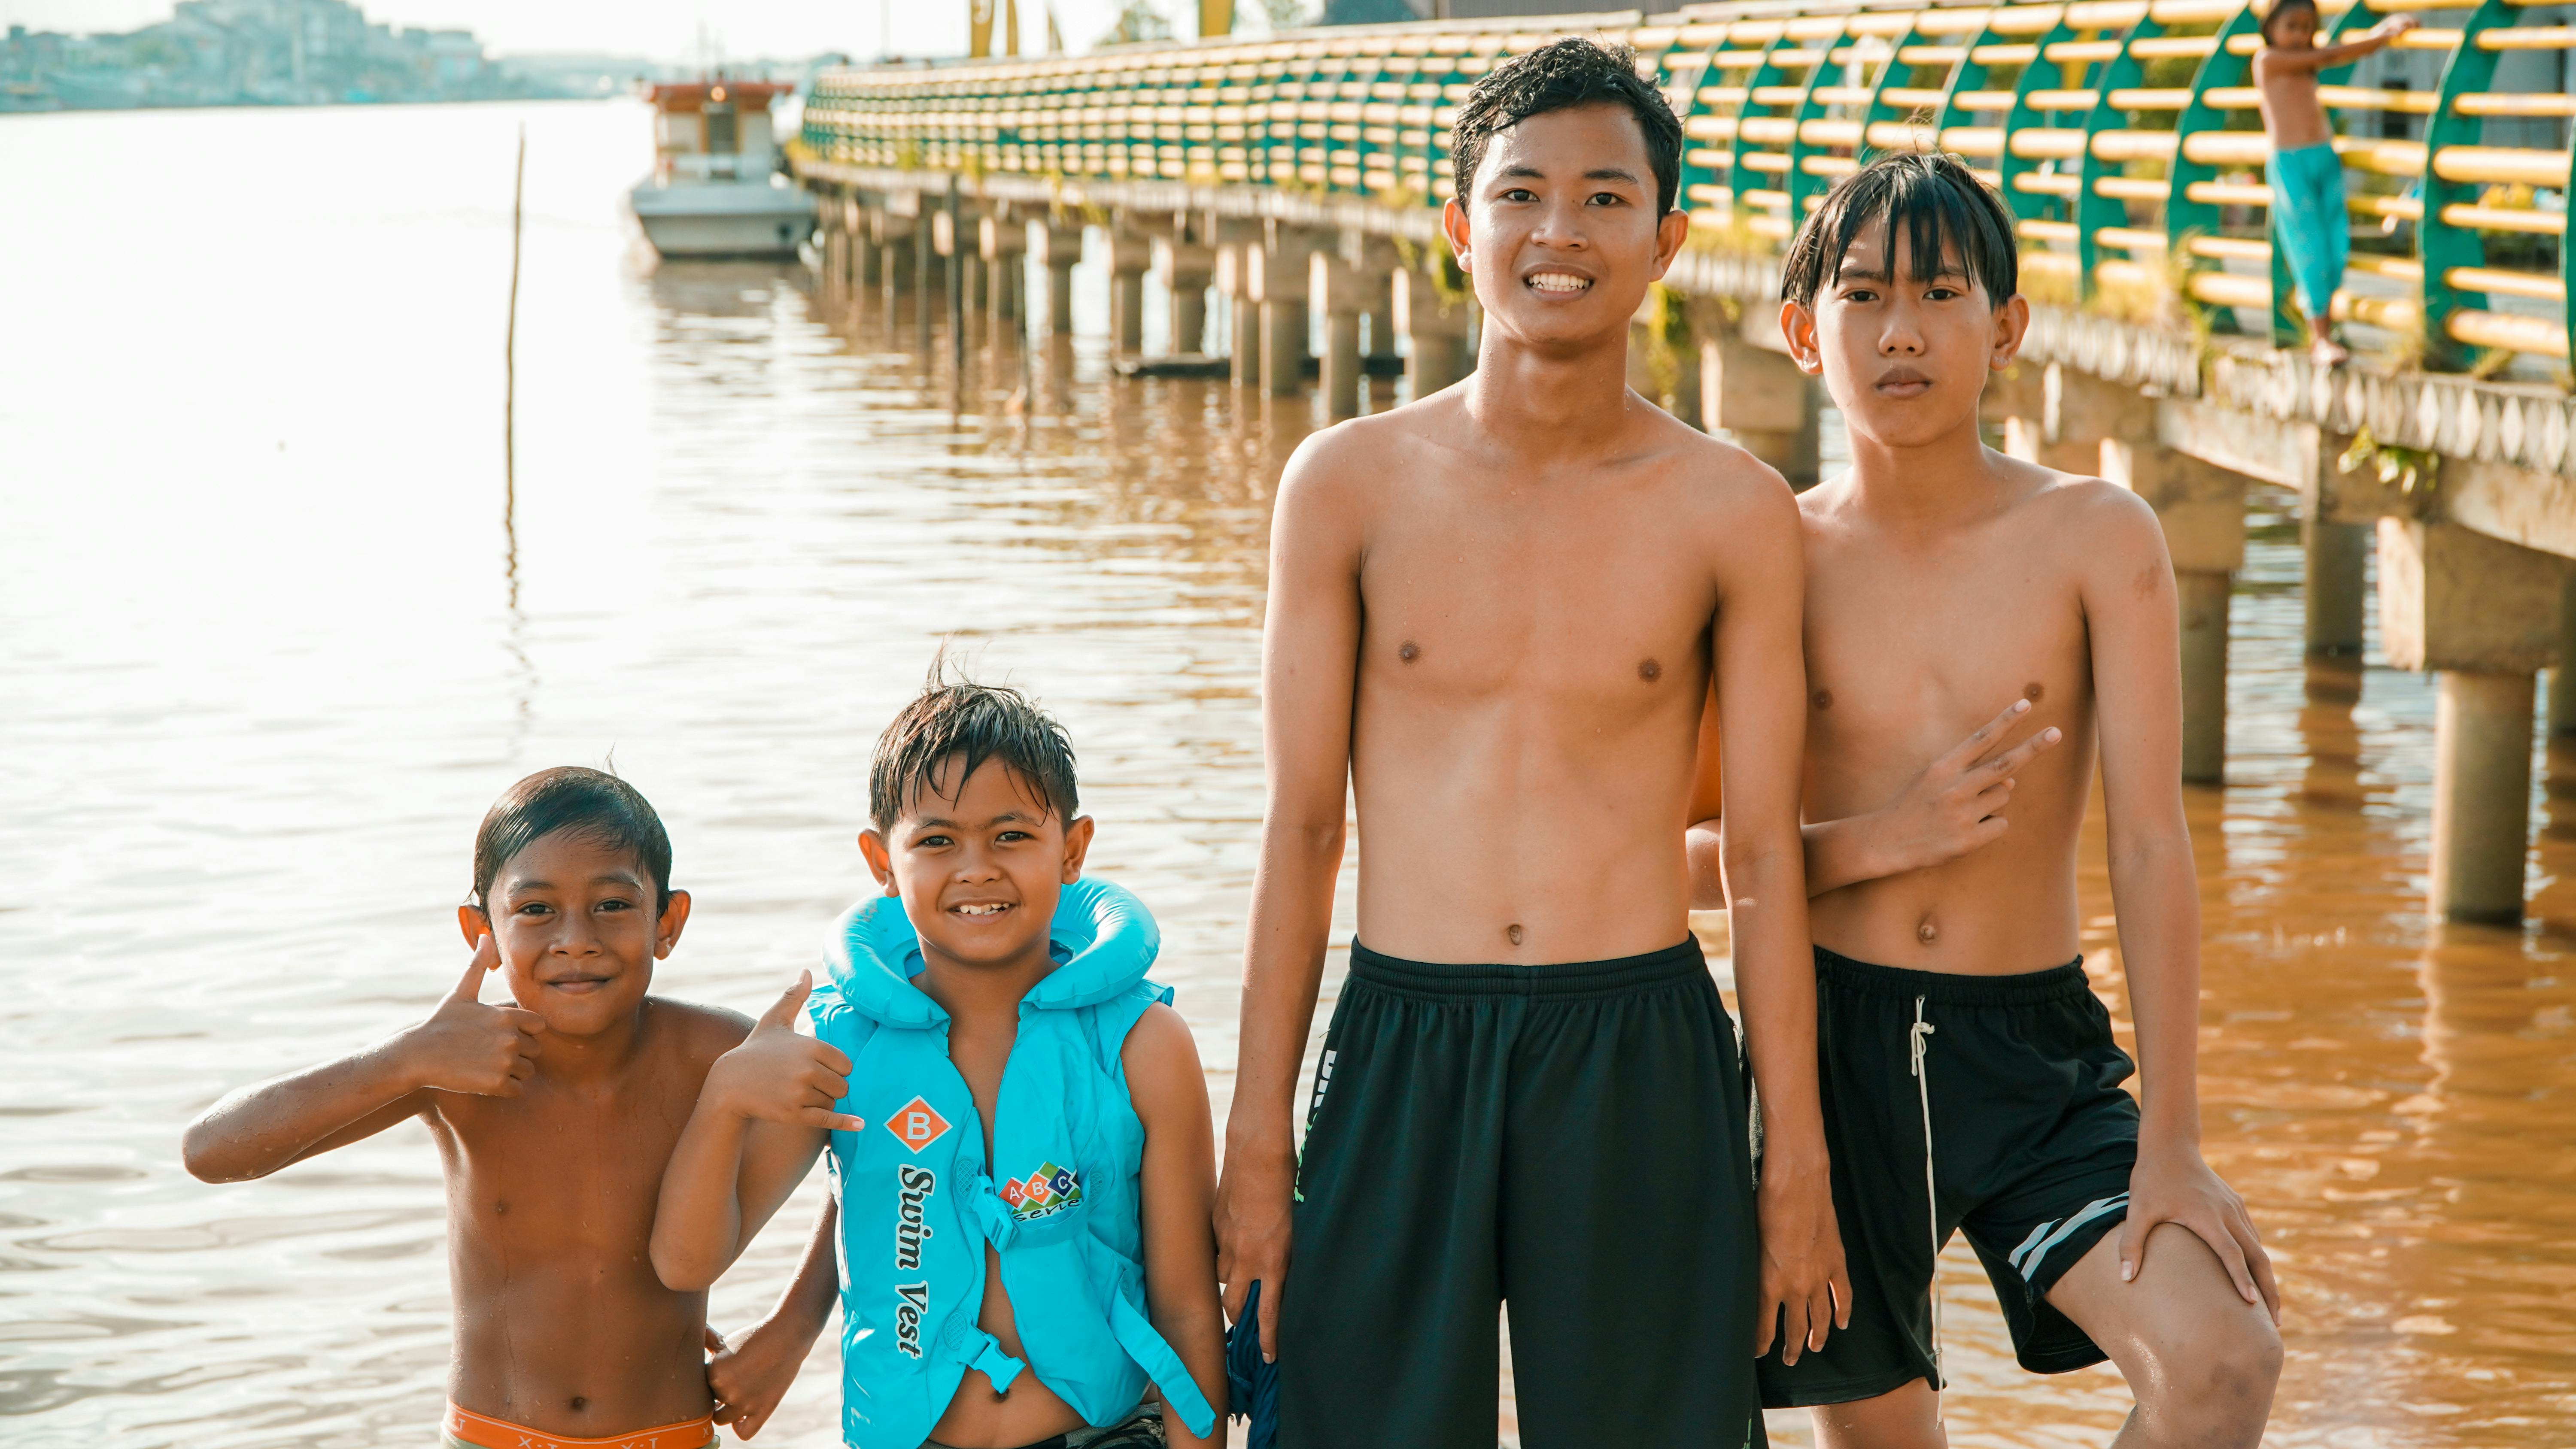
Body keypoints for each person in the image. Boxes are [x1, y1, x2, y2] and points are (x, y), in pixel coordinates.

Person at [1215, 36, 1842, 1449]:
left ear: (1667, 238)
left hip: (1637, 1046)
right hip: (1399, 1037)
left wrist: (1789, 1155)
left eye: (1606, 197)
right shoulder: (1346, 485)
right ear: (1461, 229)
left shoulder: (1730, 507)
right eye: (1521, 195)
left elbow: (1758, 856)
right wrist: (1258, 1136)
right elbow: (1301, 828)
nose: (1560, 233)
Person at [1692, 151, 2285, 1448]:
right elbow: (1673, 858)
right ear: (1801, 332)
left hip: (2033, 1053)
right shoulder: (1764, 553)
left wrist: (2172, 1142)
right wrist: (1874, 841)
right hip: (1826, 1055)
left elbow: (2145, 843)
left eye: (1939, 292)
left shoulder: (2093, 535)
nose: (1899, 330)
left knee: (2221, 1362)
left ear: (2004, 328)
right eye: (1860, 296)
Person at [650, 676, 1227, 1449]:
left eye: (1013, 836)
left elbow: (1188, 1306)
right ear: (880, 863)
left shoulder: (1144, 1045)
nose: (977, 869)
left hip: (1105, 1433)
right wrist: (724, 1100)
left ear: (1074, 850)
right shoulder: (844, 1047)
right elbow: (689, 1262)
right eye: (936, 841)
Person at [181, 767, 750, 1449]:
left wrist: (787, 1335)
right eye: (536, 910)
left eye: (613, 905)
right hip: (492, 1435)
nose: (576, 938)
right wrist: (405, 1058)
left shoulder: (718, 1056)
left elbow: (870, 1167)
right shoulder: (453, 1067)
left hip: (675, 1436)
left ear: (669, 920)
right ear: (481, 929)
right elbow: (211, 1152)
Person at [2253, 0, 2418, 366]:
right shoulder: (2267, 59)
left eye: (2306, 27)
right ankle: (2320, 339)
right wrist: (2380, 37)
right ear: (2270, 28)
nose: (2299, 35)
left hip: (2323, 158)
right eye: (2290, 26)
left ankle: (2330, 326)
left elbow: (2323, 57)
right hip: (2291, 163)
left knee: (2336, 244)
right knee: (2308, 246)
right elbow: (2332, 56)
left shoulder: (2303, 61)